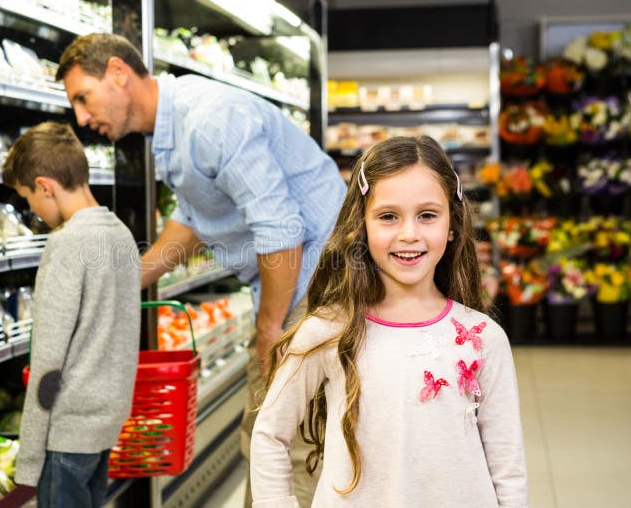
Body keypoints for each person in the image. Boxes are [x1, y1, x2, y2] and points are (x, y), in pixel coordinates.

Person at [55, 32, 346, 506]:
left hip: (319, 282)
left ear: (117, 73)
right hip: (301, 277)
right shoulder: (174, 131)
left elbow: (279, 230)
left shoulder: (210, 121)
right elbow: (193, 221)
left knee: (287, 443)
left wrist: (270, 326)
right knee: (270, 439)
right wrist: (125, 283)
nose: (83, 119)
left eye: (83, 99)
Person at [250, 136, 528, 507]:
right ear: (361, 225)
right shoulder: (329, 330)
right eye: (388, 217)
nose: (409, 233)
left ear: (452, 224)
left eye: (427, 215)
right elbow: (270, 435)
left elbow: (507, 465)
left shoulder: (482, 337)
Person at [3, 121, 141, 508]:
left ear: (46, 186)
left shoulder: (66, 244)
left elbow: (48, 361)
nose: (32, 209)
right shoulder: (121, 235)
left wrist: (29, 459)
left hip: (65, 433)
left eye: (28, 197)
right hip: (103, 425)